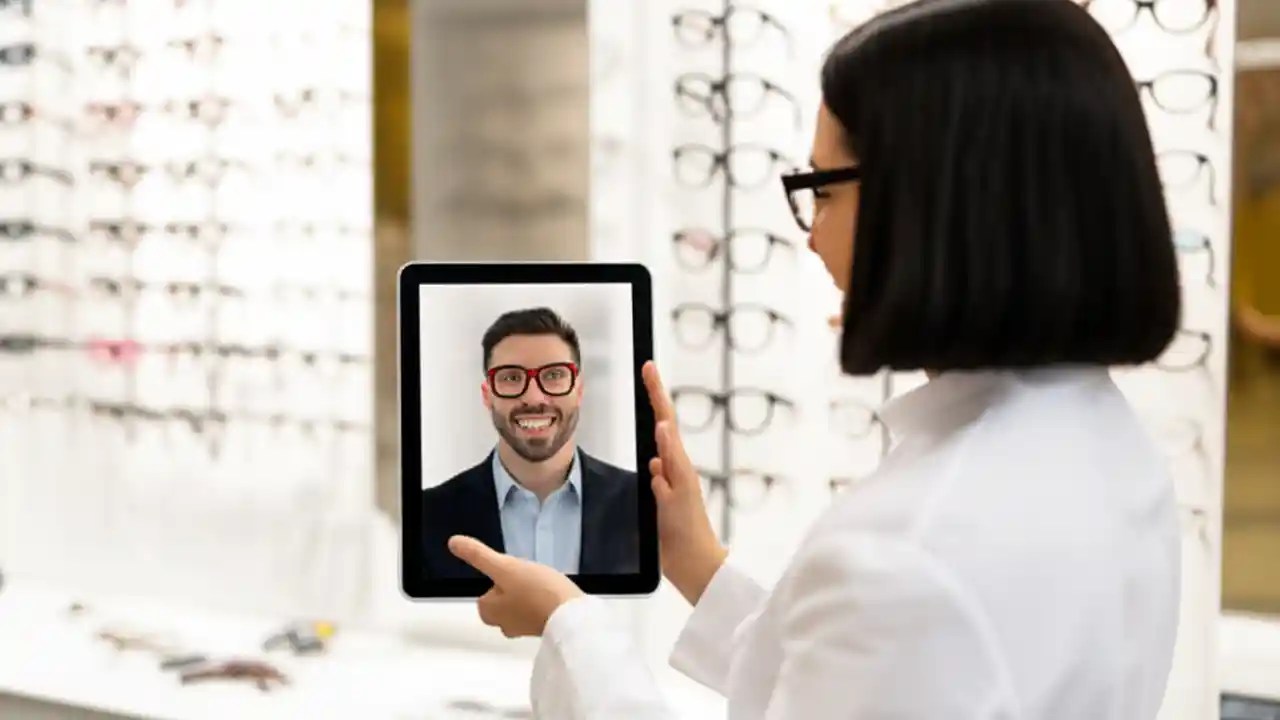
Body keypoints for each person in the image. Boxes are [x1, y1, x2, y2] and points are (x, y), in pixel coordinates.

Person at [446, 0, 1183, 717]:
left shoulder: (907, 552)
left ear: (928, 204)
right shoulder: (1110, 452)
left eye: (821, 190)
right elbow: (878, 680)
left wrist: (572, 628)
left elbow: (892, 642)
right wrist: (700, 565)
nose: (811, 235)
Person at [421, 307, 639, 579]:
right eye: (512, 378)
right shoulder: (428, 516)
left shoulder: (641, 504)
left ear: (579, 390)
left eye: (554, 375)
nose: (535, 398)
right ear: (487, 395)